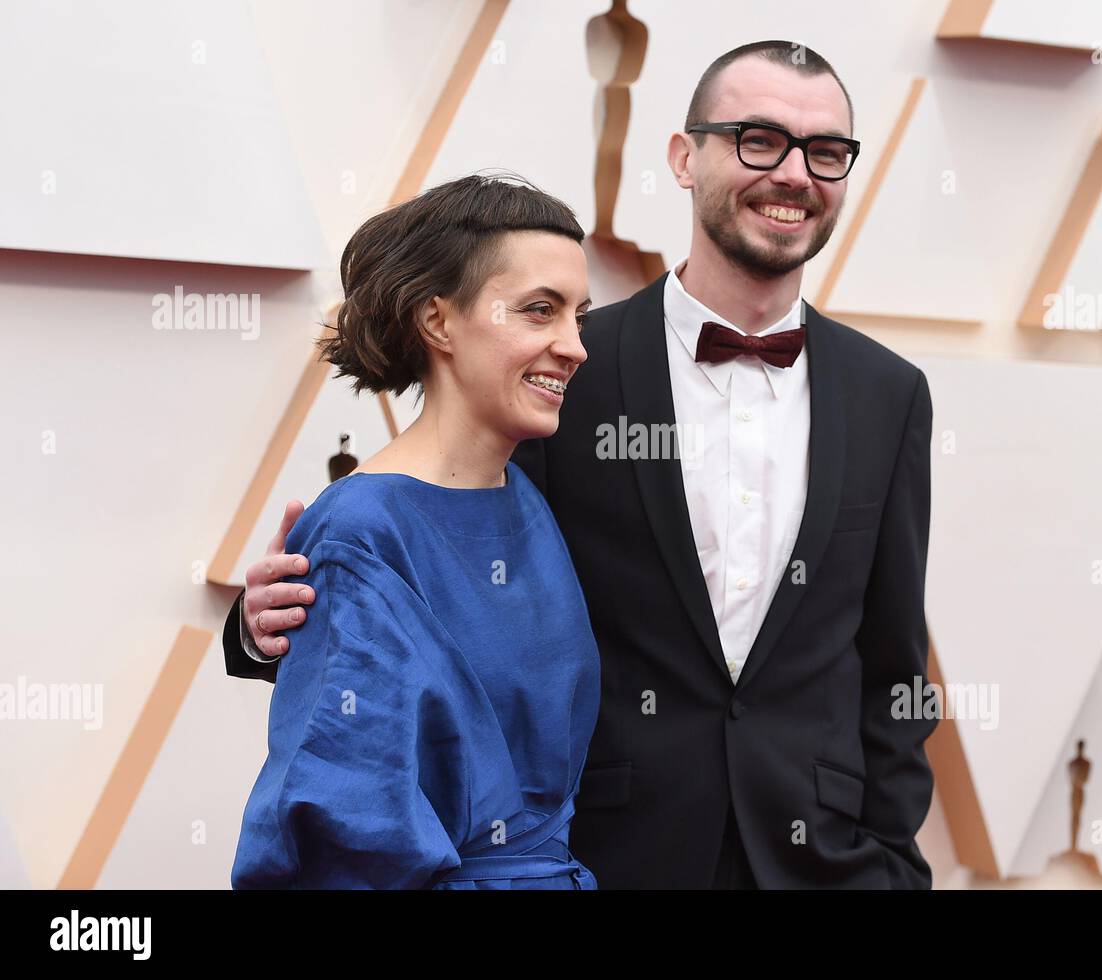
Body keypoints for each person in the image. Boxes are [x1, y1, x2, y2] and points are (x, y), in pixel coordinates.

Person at [228, 40, 937, 889]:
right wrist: (263, 625)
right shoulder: (562, 372)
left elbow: (895, 657)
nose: (793, 172)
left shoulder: (889, 393)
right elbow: (443, 566)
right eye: (758, 139)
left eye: (825, 151)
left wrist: (894, 858)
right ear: (684, 157)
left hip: (826, 866)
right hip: (613, 857)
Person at [230, 174, 601, 889]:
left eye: (578, 316)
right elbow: (345, 836)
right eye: (538, 311)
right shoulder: (361, 532)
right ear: (438, 323)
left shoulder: (525, 499)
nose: (575, 345)